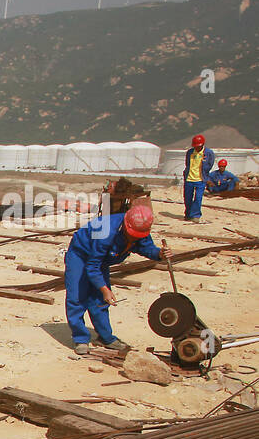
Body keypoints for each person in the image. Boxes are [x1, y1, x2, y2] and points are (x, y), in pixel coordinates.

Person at [63, 204, 170, 356]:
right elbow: (93, 266)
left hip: (102, 259)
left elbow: (146, 248)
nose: (135, 238)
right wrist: (105, 288)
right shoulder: (106, 231)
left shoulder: (140, 230)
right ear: (126, 225)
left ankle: (106, 338)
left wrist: (159, 254)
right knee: (77, 296)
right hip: (81, 254)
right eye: (132, 235)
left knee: (100, 300)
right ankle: (80, 338)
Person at [182, 134, 214, 222]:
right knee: (187, 198)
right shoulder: (190, 152)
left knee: (198, 198)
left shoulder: (208, 153)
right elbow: (187, 164)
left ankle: (195, 215)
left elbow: (210, 164)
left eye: (198, 146)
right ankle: (188, 214)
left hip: (200, 179)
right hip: (189, 179)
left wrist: (205, 173)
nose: (197, 148)